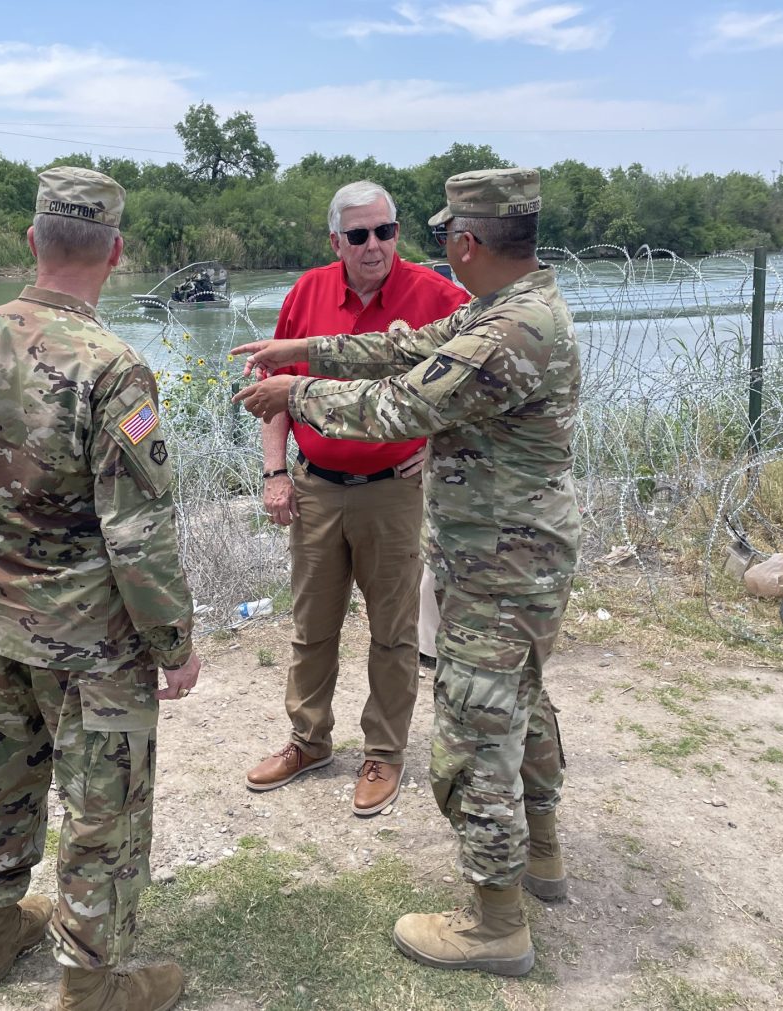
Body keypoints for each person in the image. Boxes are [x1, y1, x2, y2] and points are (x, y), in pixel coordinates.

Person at [230, 168, 579, 977]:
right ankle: (546, 857)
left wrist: (299, 390)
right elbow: (399, 346)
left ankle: (496, 923)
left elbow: (400, 403)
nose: (381, 247)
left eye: (401, 232)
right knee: (523, 701)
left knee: (476, 732)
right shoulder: (509, 308)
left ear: (463, 241)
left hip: (502, 562)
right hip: (510, 554)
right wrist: (306, 348)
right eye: (362, 235)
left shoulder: (505, 332)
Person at [0, 166, 200, 1011]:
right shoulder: (116, 368)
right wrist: (173, 643)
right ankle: (90, 982)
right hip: (93, 644)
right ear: (116, 253)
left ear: (34, 242)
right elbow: (137, 532)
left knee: (0, 776)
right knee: (102, 804)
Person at [245, 180, 470, 816]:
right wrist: (274, 472)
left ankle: (384, 753)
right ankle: (308, 740)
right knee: (311, 626)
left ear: (398, 233)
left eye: (386, 232)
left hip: (395, 492)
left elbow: (481, 380)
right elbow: (276, 389)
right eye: (359, 235)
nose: (375, 247)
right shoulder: (308, 292)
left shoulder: (439, 298)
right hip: (316, 487)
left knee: (394, 633)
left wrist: (444, 441)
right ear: (336, 241)